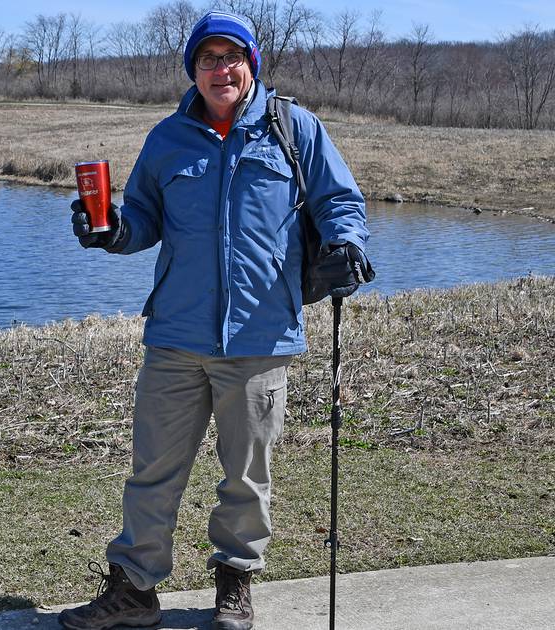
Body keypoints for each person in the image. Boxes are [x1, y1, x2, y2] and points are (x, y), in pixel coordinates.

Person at [60, 10, 373, 630]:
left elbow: (341, 201)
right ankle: (134, 590)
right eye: (208, 59)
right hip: (176, 335)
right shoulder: (167, 138)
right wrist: (113, 230)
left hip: (260, 335)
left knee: (246, 476)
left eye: (232, 57)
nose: (220, 69)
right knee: (153, 471)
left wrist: (346, 244)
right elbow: (143, 218)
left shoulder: (294, 129)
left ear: (250, 64)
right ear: (193, 70)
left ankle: (235, 581)